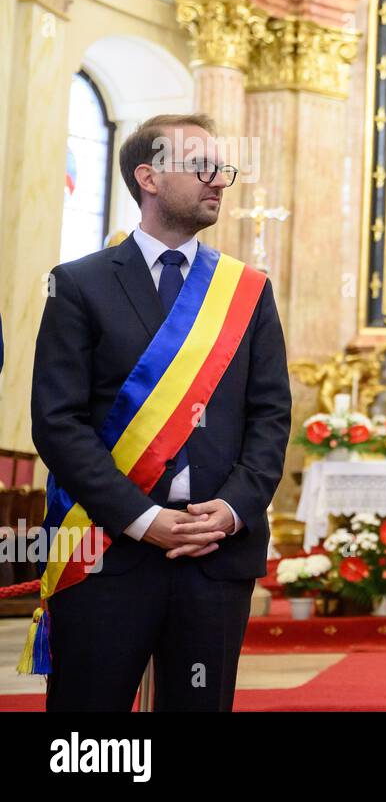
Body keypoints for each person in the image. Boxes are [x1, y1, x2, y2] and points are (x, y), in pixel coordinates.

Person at [25, 113, 291, 711]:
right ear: (147, 176)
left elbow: (271, 416)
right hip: (106, 548)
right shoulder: (77, 284)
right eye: (201, 166)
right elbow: (57, 422)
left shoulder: (247, 289)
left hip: (214, 552)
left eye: (223, 167)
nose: (218, 179)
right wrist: (141, 518)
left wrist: (230, 510)